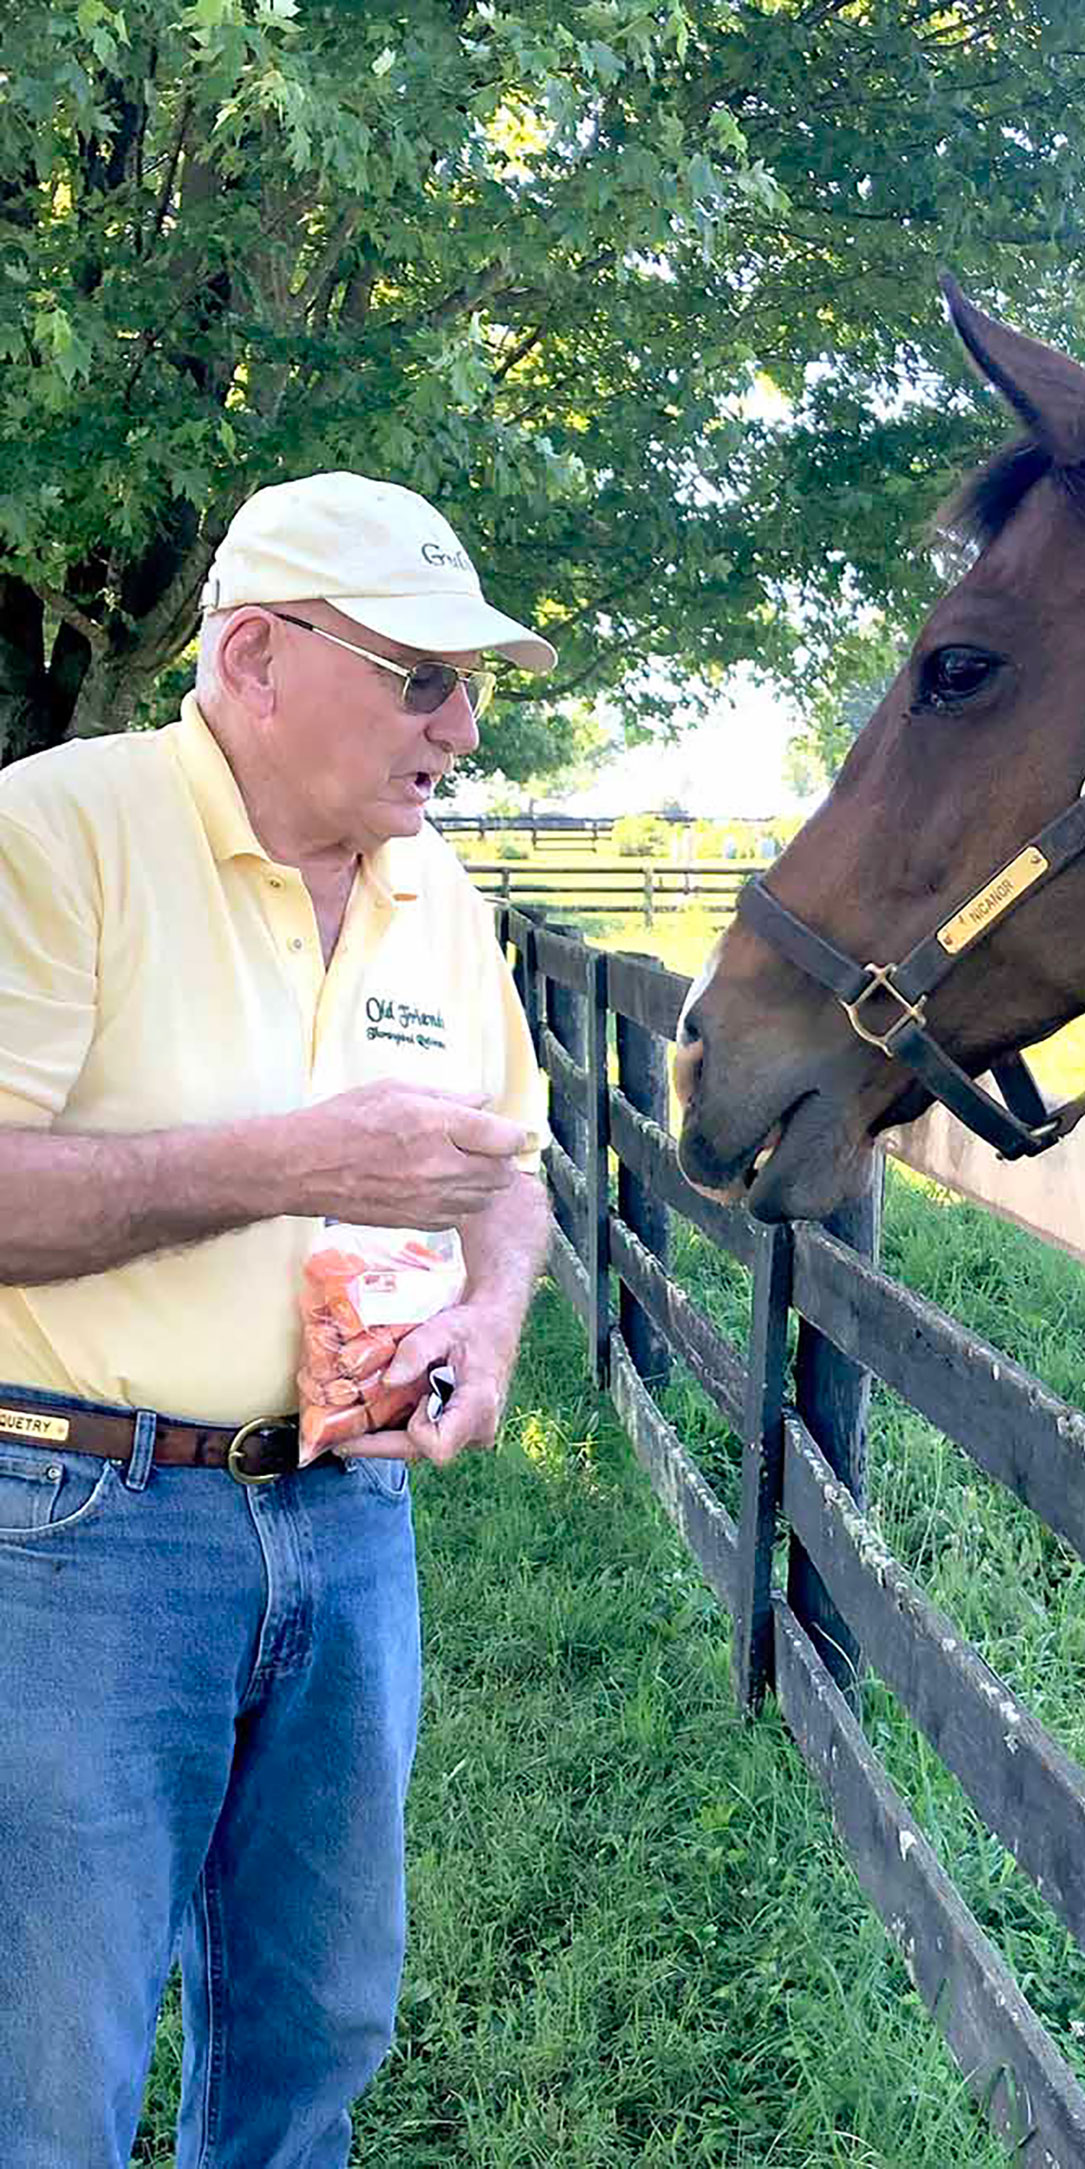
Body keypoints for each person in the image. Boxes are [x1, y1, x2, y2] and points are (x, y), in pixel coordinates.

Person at [0, 472, 556, 2166]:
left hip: (350, 1518)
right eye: (421, 678)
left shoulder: (435, 897)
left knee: (316, 2028)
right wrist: (295, 1161)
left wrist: (494, 1318)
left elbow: (505, 1182)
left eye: (474, 685)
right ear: (253, 655)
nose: (460, 726)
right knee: (52, 2063)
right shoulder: (59, 830)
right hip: (77, 1525)